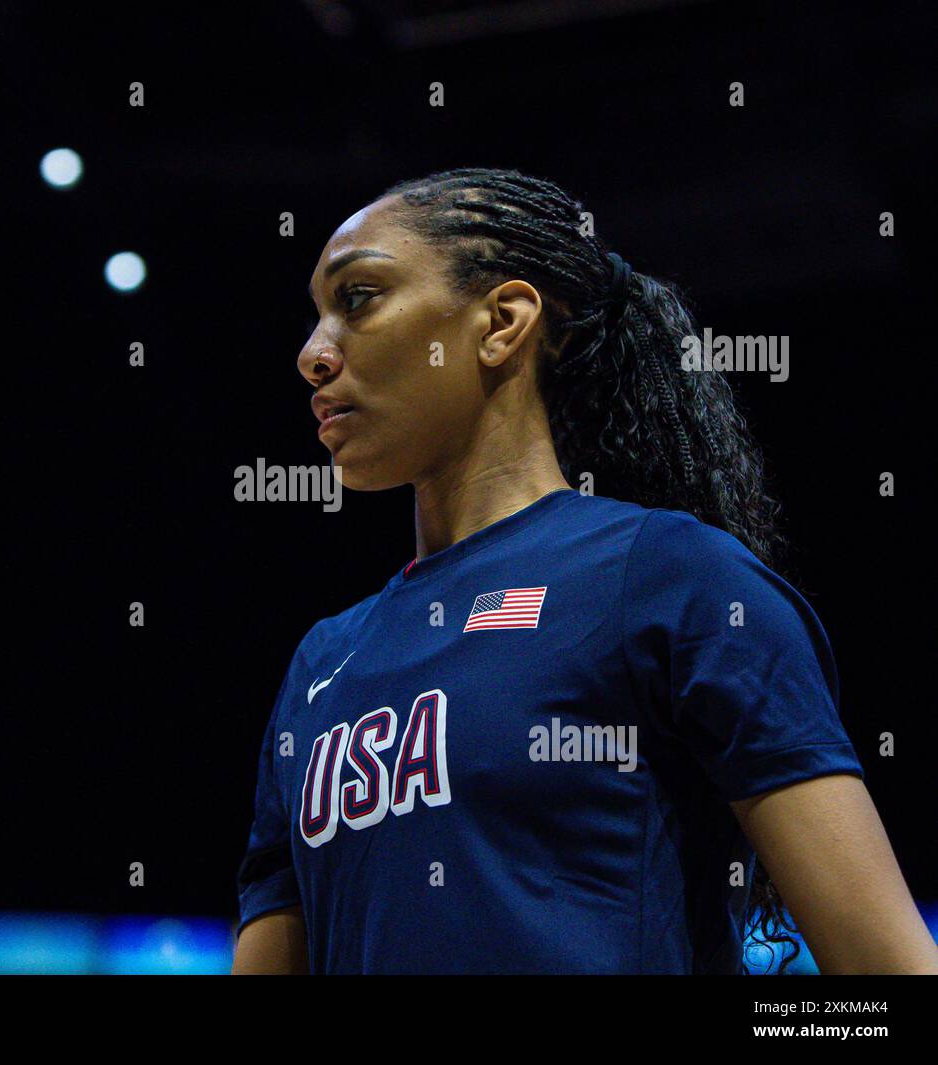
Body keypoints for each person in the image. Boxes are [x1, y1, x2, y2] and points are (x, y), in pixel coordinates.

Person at [231, 168, 938, 975]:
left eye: (357, 299)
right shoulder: (323, 662)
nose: (313, 354)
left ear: (502, 321)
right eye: (316, 315)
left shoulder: (672, 579)